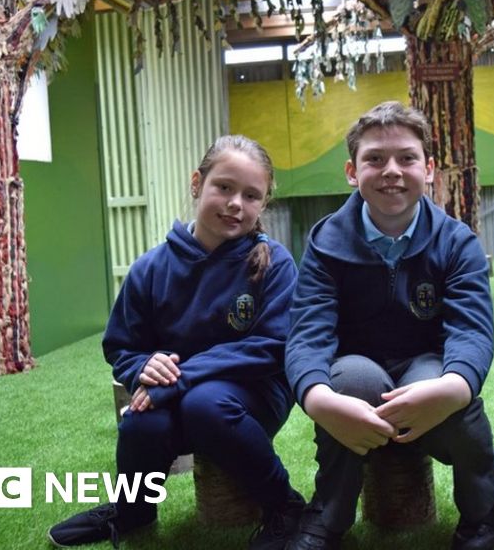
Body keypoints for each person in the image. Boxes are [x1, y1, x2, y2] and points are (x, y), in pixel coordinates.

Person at [47, 135, 304, 550]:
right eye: (224, 187)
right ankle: (132, 512)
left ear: (263, 204)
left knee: (206, 403)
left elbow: (275, 345)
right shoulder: (150, 268)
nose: (236, 202)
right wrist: (141, 368)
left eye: (251, 195)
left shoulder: (274, 264)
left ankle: (286, 506)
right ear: (197, 183)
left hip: (252, 398)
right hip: (176, 398)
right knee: (140, 421)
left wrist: (180, 377)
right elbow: (121, 347)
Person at [284, 101, 494, 550]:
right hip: (356, 370)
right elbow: (308, 332)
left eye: (406, 158)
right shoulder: (325, 244)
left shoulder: (457, 242)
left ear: (429, 170)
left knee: (453, 392)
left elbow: (472, 330)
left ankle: (482, 516)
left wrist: (455, 385)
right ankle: (326, 518)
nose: (391, 171)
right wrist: (316, 397)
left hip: (426, 366)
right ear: (352, 171)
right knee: (349, 380)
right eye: (374, 159)